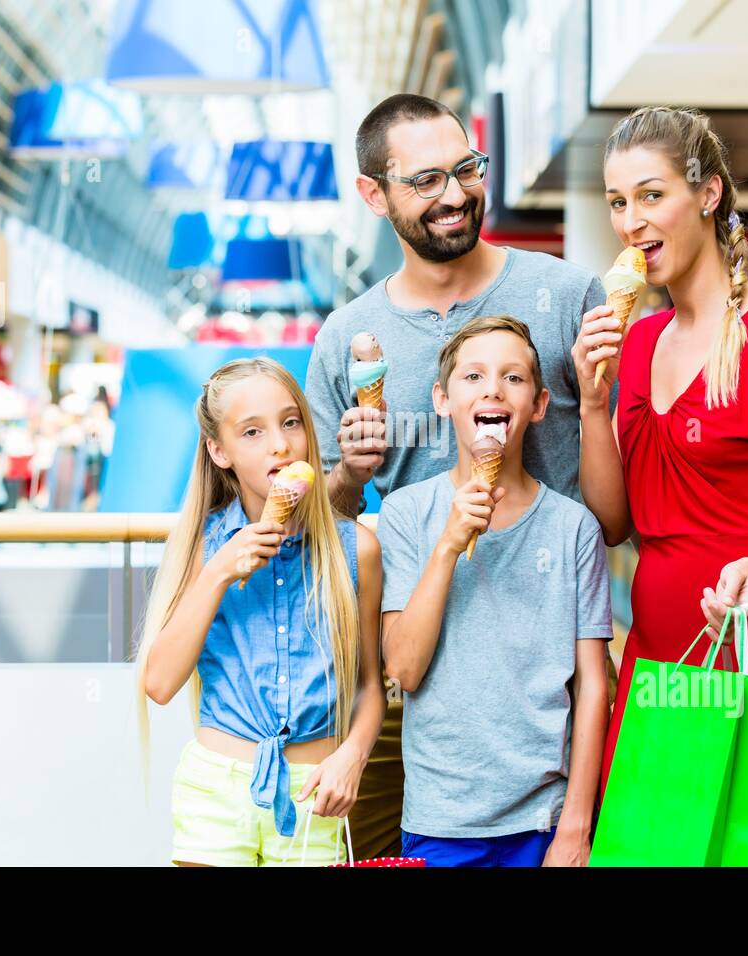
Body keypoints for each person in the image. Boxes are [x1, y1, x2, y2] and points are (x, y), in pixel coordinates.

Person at [304, 92, 610, 858]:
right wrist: (348, 474)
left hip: (548, 684)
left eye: (467, 170)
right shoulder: (347, 338)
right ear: (374, 194)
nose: (455, 195)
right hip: (414, 687)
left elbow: (613, 505)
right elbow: (320, 520)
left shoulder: (568, 298)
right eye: (426, 180)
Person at [573, 107, 748, 866]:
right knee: (655, 851)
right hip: (663, 659)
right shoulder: (633, 345)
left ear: (708, 195)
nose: (630, 221)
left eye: (651, 195)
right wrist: (594, 401)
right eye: (616, 202)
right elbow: (613, 522)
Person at [378, 316, 611, 866]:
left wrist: (576, 827)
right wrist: (448, 547)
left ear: (538, 404)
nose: (492, 389)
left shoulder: (574, 528)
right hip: (441, 818)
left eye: (513, 378)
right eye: (473, 376)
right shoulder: (407, 514)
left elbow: (593, 687)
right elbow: (404, 669)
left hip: (545, 821)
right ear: (441, 399)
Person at [137, 358, 385, 866]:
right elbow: (160, 684)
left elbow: (368, 686)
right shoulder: (202, 548)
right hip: (216, 790)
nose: (280, 443)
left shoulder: (354, 551)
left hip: (313, 793)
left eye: (290, 422)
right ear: (218, 451)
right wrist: (219, 572)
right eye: (252, 431)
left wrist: (352, 757)